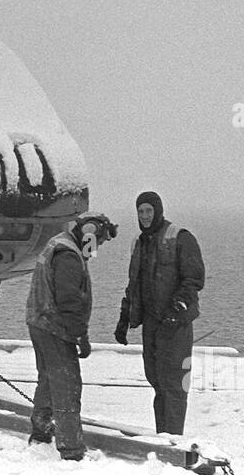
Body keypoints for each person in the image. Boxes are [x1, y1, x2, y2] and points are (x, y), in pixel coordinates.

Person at [26, 211, 118, 460]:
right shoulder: (68, 255)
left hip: (40, 322)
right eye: (100, 242)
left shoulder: (62, 243)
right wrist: (80, 335)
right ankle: (71, 449)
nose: (97, 247)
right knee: (67, 384)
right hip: (55, 326)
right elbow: (69, 300)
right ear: (91, 234)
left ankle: (41, 431)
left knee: (48, 378)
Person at [115, 191, 205, 435]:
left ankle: (173, 440)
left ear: (158, 211)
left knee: (174, 383)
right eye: (140, 212)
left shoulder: (180, 238)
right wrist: (125, 316)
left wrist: (178, 308)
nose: (144, 216)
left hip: (176, 325)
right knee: (156, 380)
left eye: (148, 211)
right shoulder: (139, 242)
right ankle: (162, 436)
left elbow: (194, 279)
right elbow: (134, 284)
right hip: (152, 325)